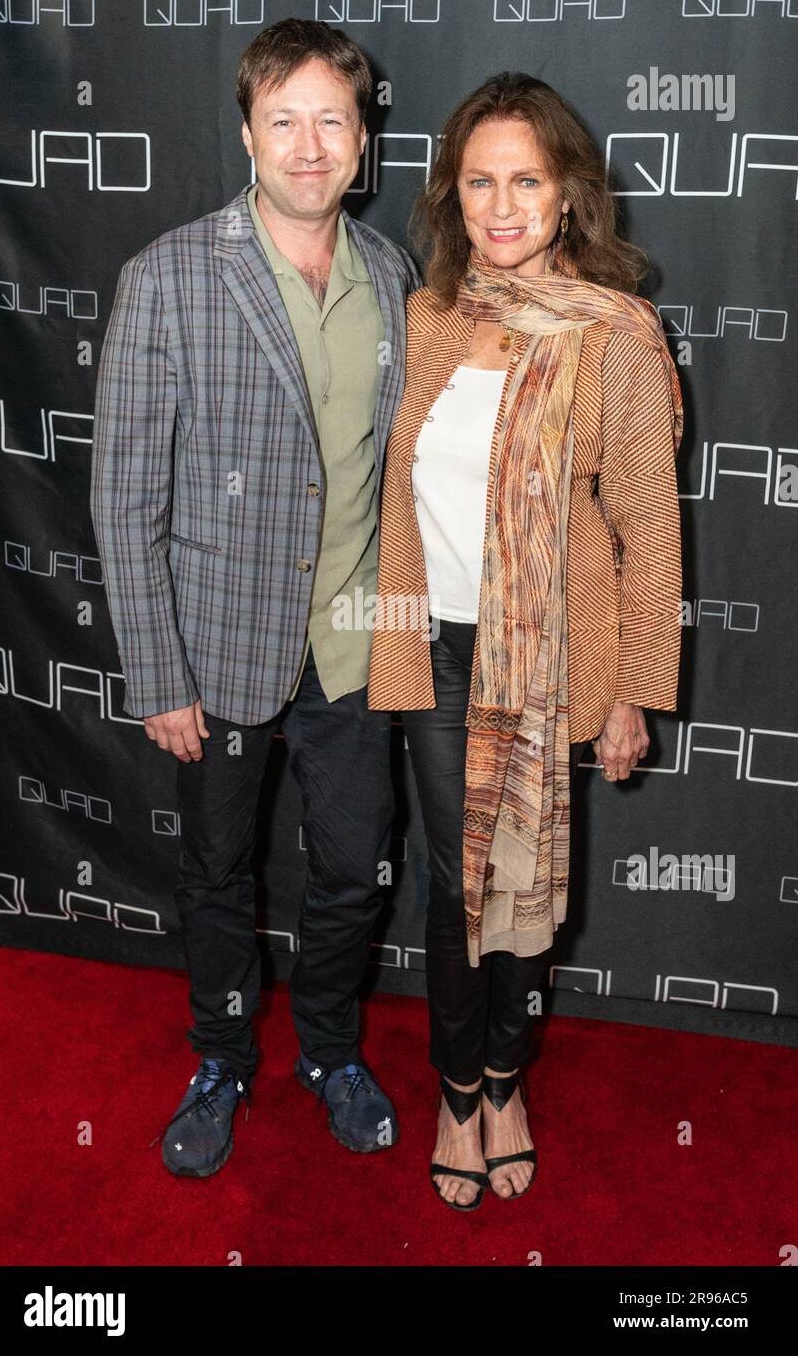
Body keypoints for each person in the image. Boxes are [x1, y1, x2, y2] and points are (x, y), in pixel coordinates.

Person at [90, 18, 421, 1178]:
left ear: (363, 140)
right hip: (218, 648)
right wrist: (159, 673)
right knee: (217, 872)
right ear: (246, 133)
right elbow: (125, 496)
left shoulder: (393, 277)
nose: (309, 143)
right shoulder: (169, 276)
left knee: (352, 864)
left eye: (333, 117)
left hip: (354, 645)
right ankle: (222, 1056)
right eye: (284, 119)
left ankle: (328, 1048)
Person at [368, 72, 683, 1211]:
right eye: (479, 182)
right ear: (453, 195)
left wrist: (632, 691)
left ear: (565, 197)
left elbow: (647, 523)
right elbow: (385, 499)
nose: (501, 208)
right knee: (460, 884)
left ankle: (505, 1076)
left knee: (528, 887)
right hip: (435, 650)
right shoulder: (426, 318)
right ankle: (458, 1089)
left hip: (553, 659)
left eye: (526, 182)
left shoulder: (618, 337)